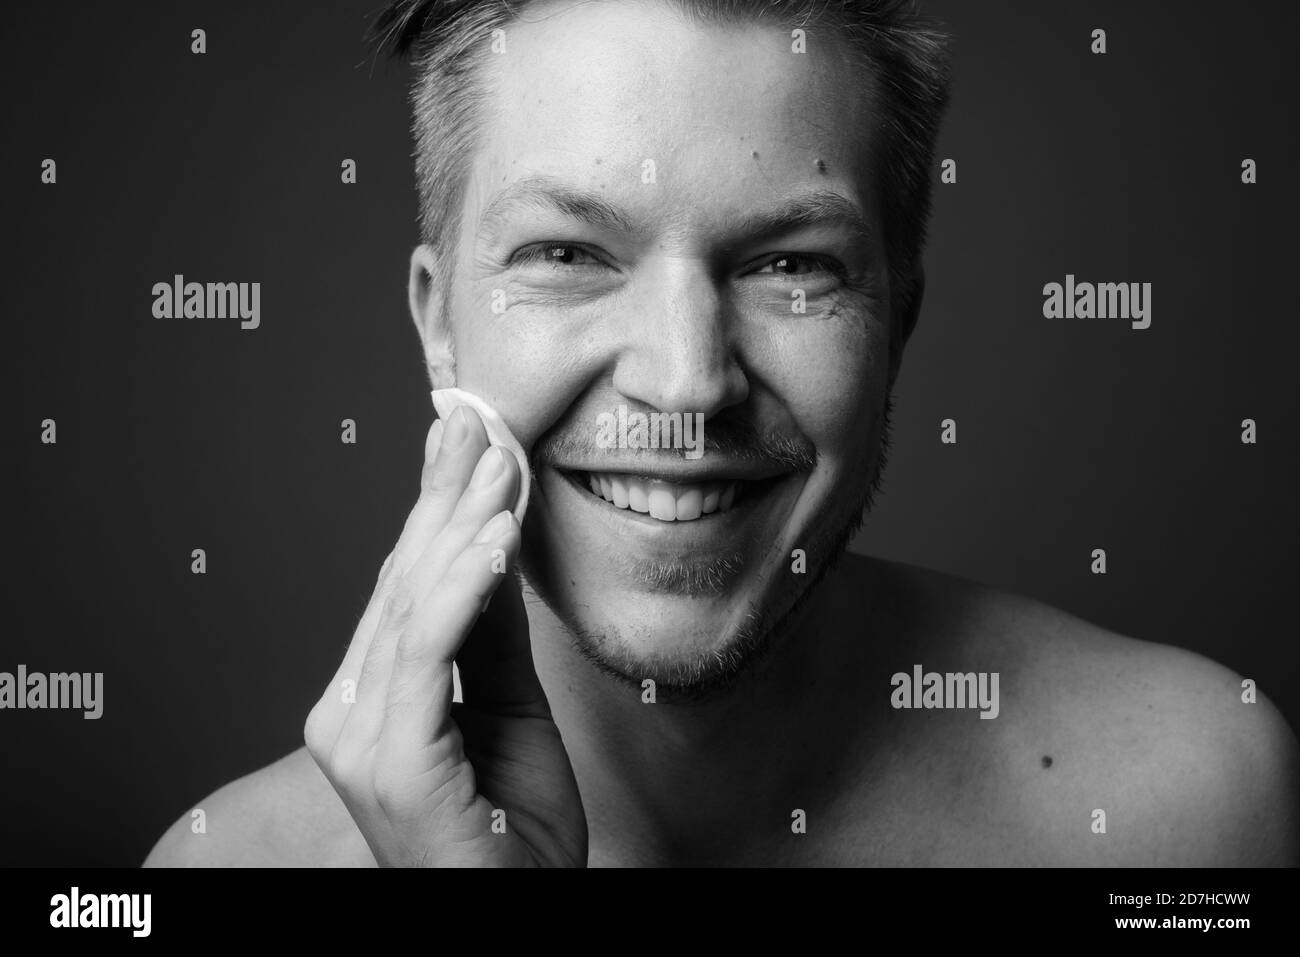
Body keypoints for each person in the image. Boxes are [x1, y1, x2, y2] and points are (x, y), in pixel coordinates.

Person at [145, 0, 1298, 867]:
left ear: (895, 322)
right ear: (438, 327)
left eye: (791, 266)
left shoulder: (1191, 805)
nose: (688, 383)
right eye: (568, 254)